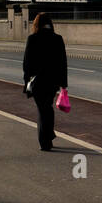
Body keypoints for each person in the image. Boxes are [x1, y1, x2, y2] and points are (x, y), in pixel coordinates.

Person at [23, 12, 68, 150]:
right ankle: (48, 136)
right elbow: (62, 63)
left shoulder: (33, 38)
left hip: (37, 81)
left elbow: (27, 63)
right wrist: (63, 84)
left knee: (43, 110)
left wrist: (26, 81)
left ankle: (45, 141)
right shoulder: (57, 39)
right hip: (52, 81)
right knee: (47, 108)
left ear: (36, 24)